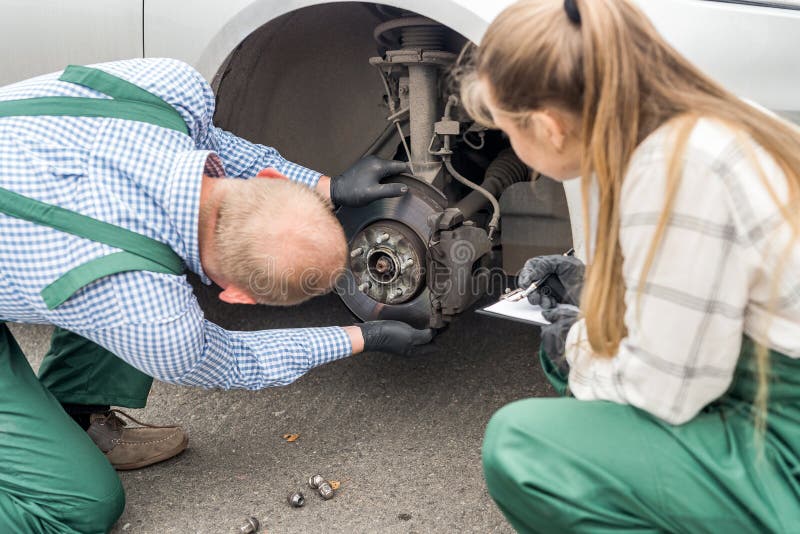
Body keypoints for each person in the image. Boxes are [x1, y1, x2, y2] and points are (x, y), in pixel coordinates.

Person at [0, 58, 433, 532]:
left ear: (266, 181)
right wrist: (361, 336)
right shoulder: (149, 310)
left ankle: (72, 417)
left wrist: (325, 186)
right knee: (82, 507)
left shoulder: (168, 87)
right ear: (236, 297)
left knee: (135, 275)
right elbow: (232, 359)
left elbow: (214, 142)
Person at [459, 0, 800, 531]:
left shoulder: (676, 170)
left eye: (510, 133)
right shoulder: (697, 124)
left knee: (522, 447)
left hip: (785, 443)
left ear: (549, 127)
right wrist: (599, 291)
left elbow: (667, 394)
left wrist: (574, 347)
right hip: (769, 388)